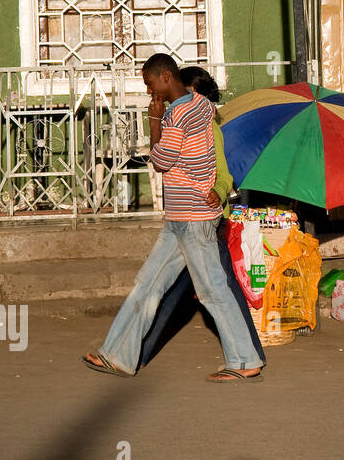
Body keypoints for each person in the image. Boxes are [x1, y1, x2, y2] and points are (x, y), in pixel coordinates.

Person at [83, 52, 265, 384]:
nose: (150, 92)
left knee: (211, 290)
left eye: (150, 84)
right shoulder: (201, 105)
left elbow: (161, 160)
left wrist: (154, 120)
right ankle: (117, 355)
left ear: (166, 76)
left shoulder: (176, 114)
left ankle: (244, 360)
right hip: (181, 217)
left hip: (194, 219)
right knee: (148, 284)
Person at [137, 66, 264, 368]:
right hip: (188, 220)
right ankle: (251, 356)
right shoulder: (182, 124)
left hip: (203, 222)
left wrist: (218, 192)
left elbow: (223, 174)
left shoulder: (208, 129)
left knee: (194, 292)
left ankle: (250, 357)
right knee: (182, 291)